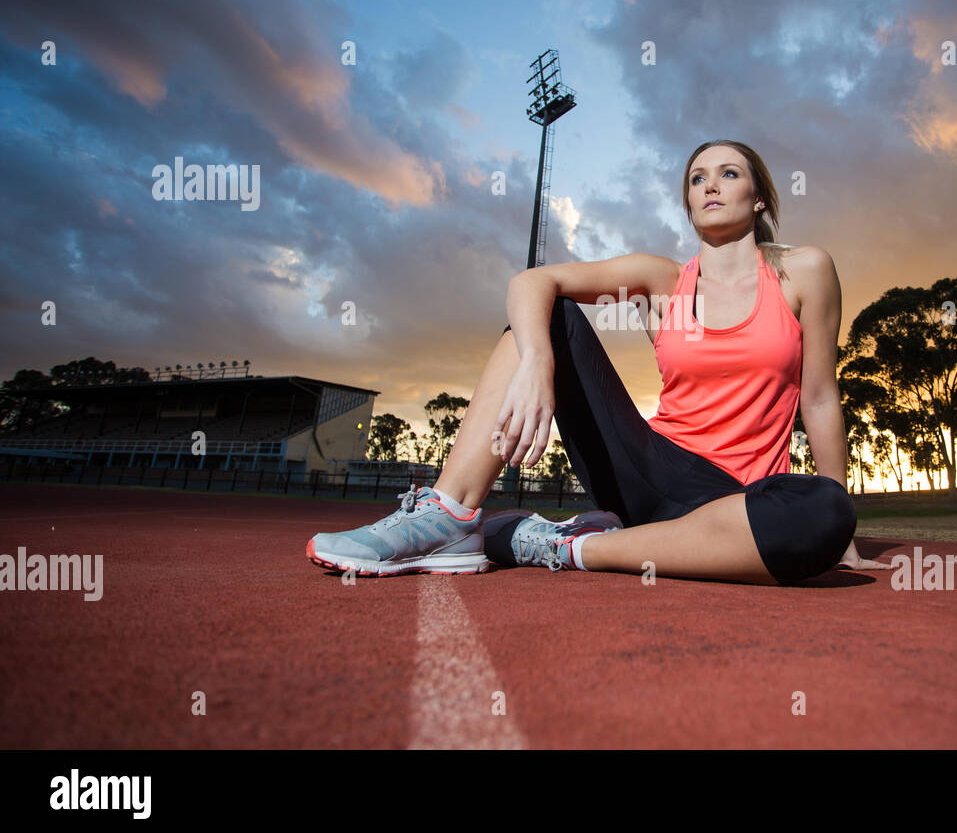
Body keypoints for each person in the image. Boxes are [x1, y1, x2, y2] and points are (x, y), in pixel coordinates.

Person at [307, 139, 881, 585]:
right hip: (649, 469)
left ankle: (564, 544)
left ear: (759, 198)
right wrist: (538, 361)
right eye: (696, 178)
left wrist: (845, 534)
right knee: (550, 316)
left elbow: (821, 397)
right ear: (687, 202)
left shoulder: (803, 271)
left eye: (729, 173)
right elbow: (535, 280)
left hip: (738, 502)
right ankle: (449, 516)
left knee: (826, 514)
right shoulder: (662, 279)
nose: (710, 185)